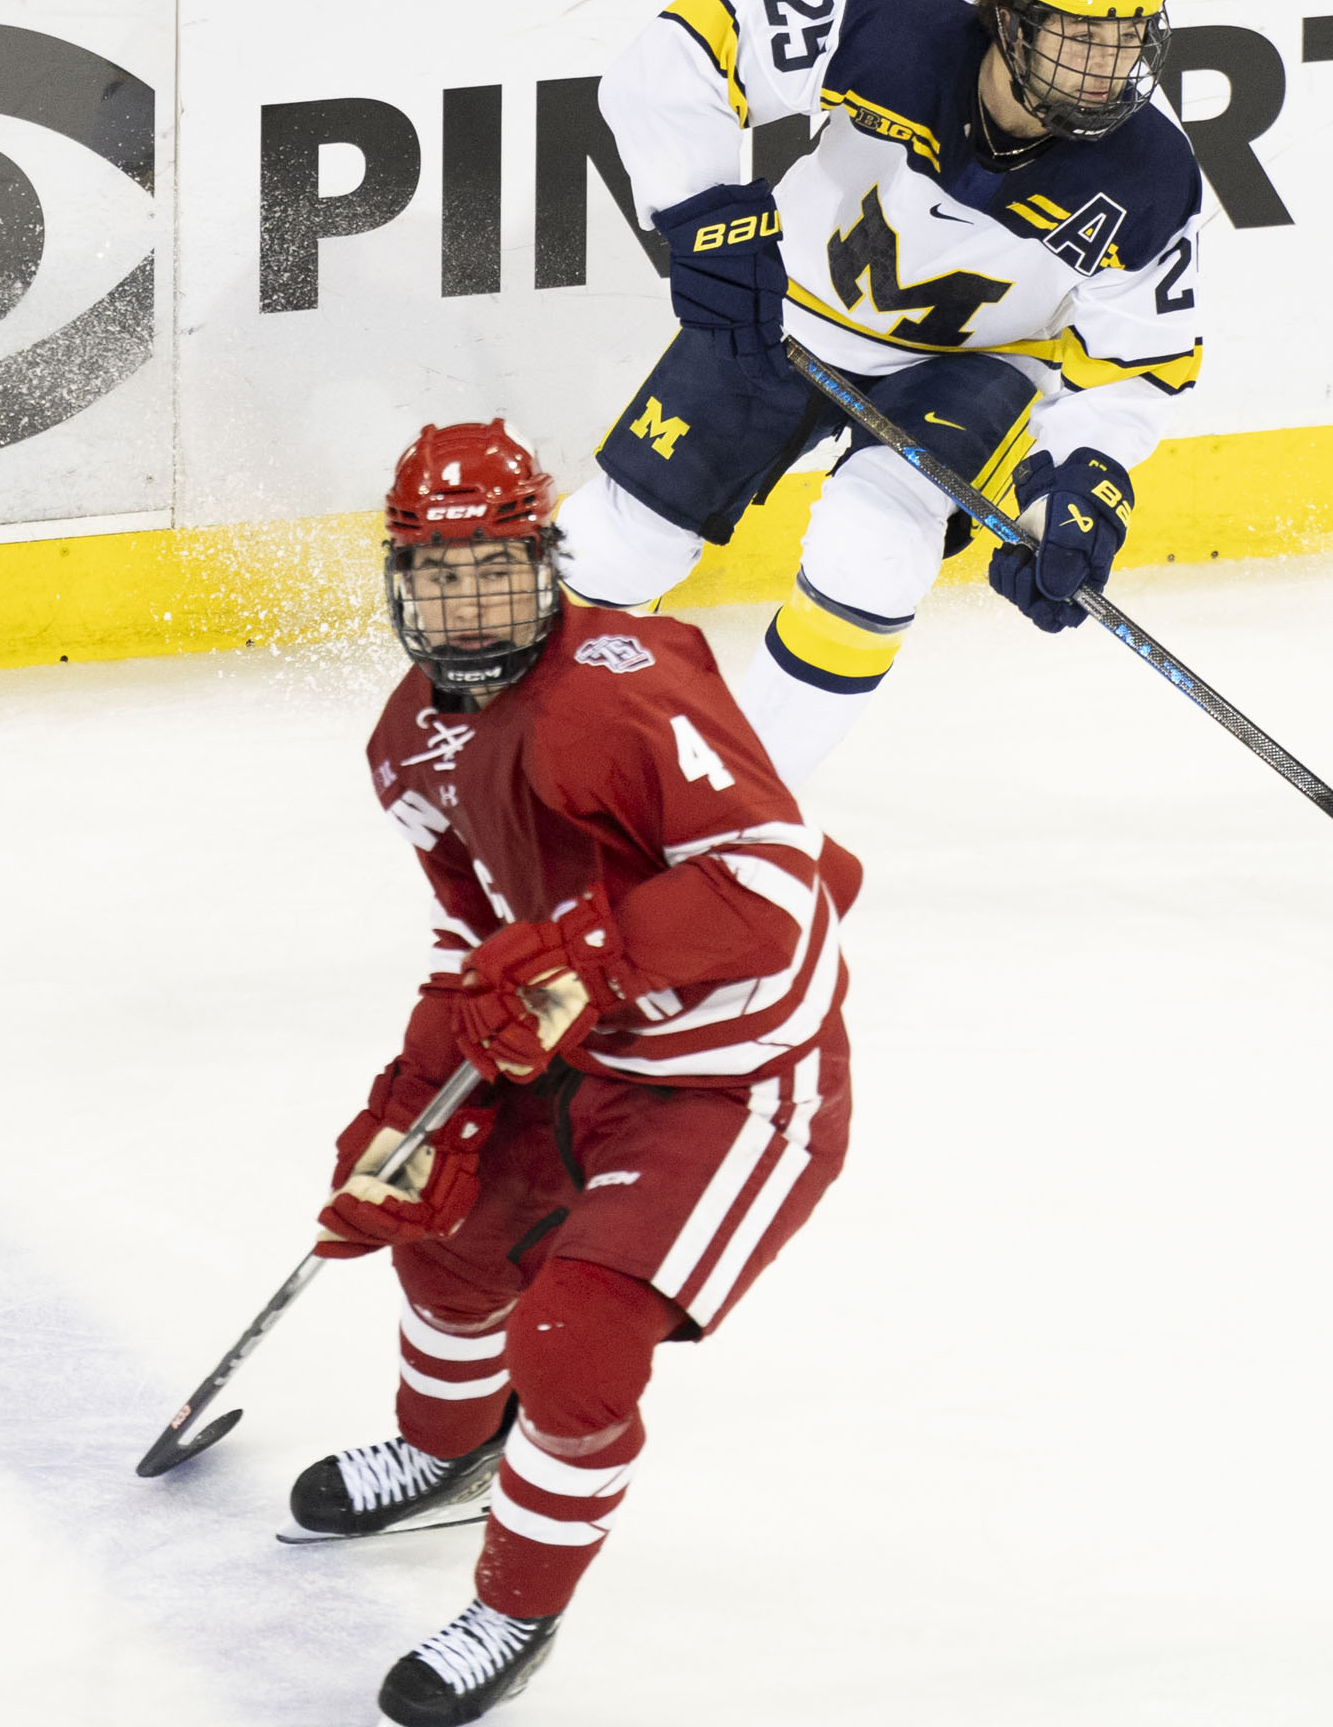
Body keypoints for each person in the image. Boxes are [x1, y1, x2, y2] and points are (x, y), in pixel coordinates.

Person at [300, 418, 862, 1725]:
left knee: (570, 1350)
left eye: (497, 569)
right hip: (577, 1044)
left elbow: (772, 885)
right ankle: (443, 1452)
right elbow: (466, 937)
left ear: (547, 566)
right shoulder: (410, 745)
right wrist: (405, 1120)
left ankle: (514, 1606)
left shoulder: (617, 687)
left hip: (730, 1078)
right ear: (402, 586)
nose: (472, 602)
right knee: (440, 1237)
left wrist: (576, 963)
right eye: (443, 577)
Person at [556, 0, 1205, 784]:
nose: (1109, 64)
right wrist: (702, 210)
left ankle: (738, 807)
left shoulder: (1151, 170)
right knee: (624, 540)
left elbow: (1138, 363)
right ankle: (515, 739)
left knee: (876, 549)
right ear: (1011, 19)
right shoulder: (890, 26)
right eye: (1081, 32)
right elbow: (683, 50)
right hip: (783, 312)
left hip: (976, 368)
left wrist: (1073, 496)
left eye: (1128, 34)